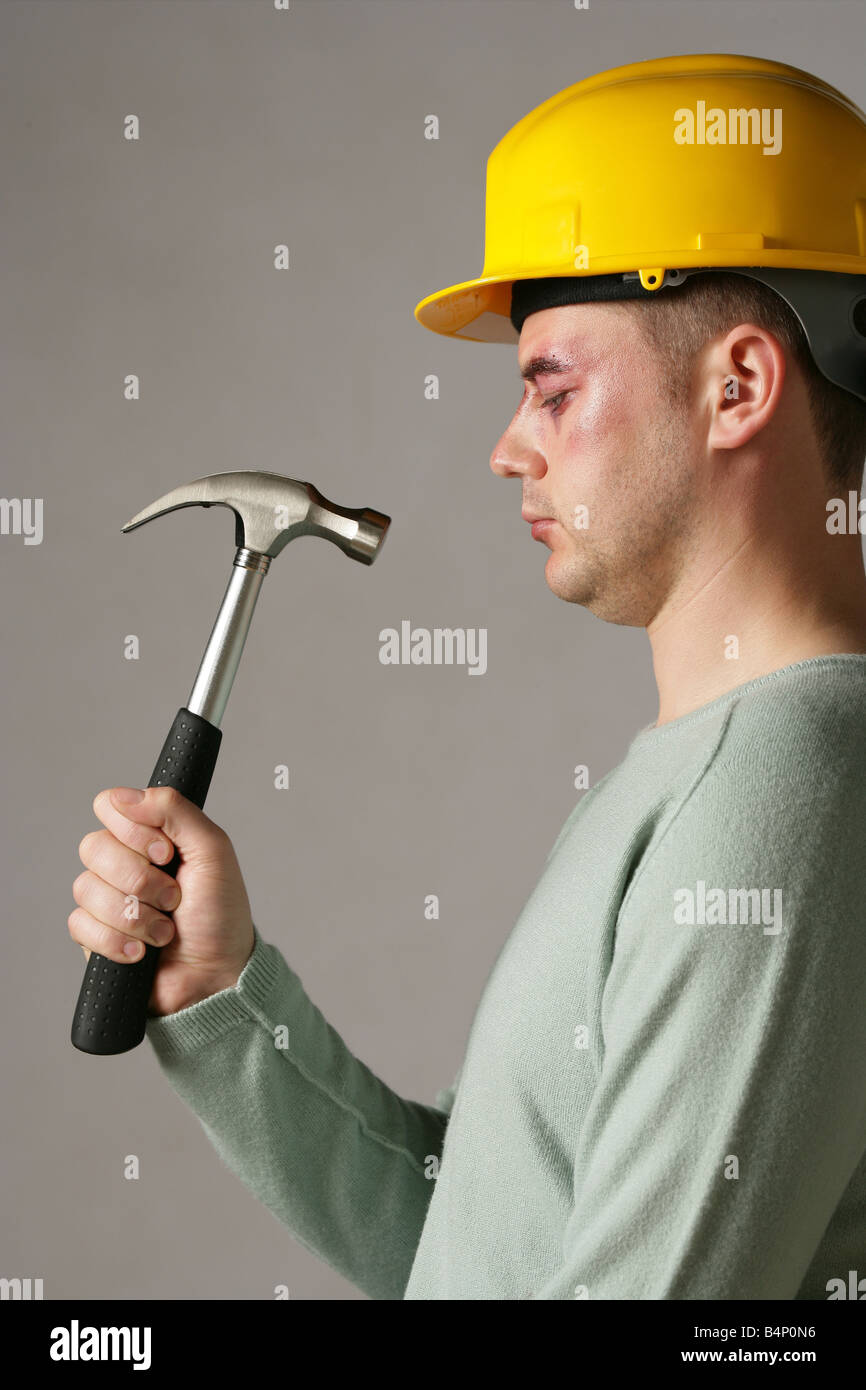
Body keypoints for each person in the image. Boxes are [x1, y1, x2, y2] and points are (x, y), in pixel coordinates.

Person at [68, 54, 866, 1299]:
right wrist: (226, 996)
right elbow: (486, 1248)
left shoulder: (780, 789)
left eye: (551, 391)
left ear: (738, 386)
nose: (506, 451)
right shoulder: (704, 770)